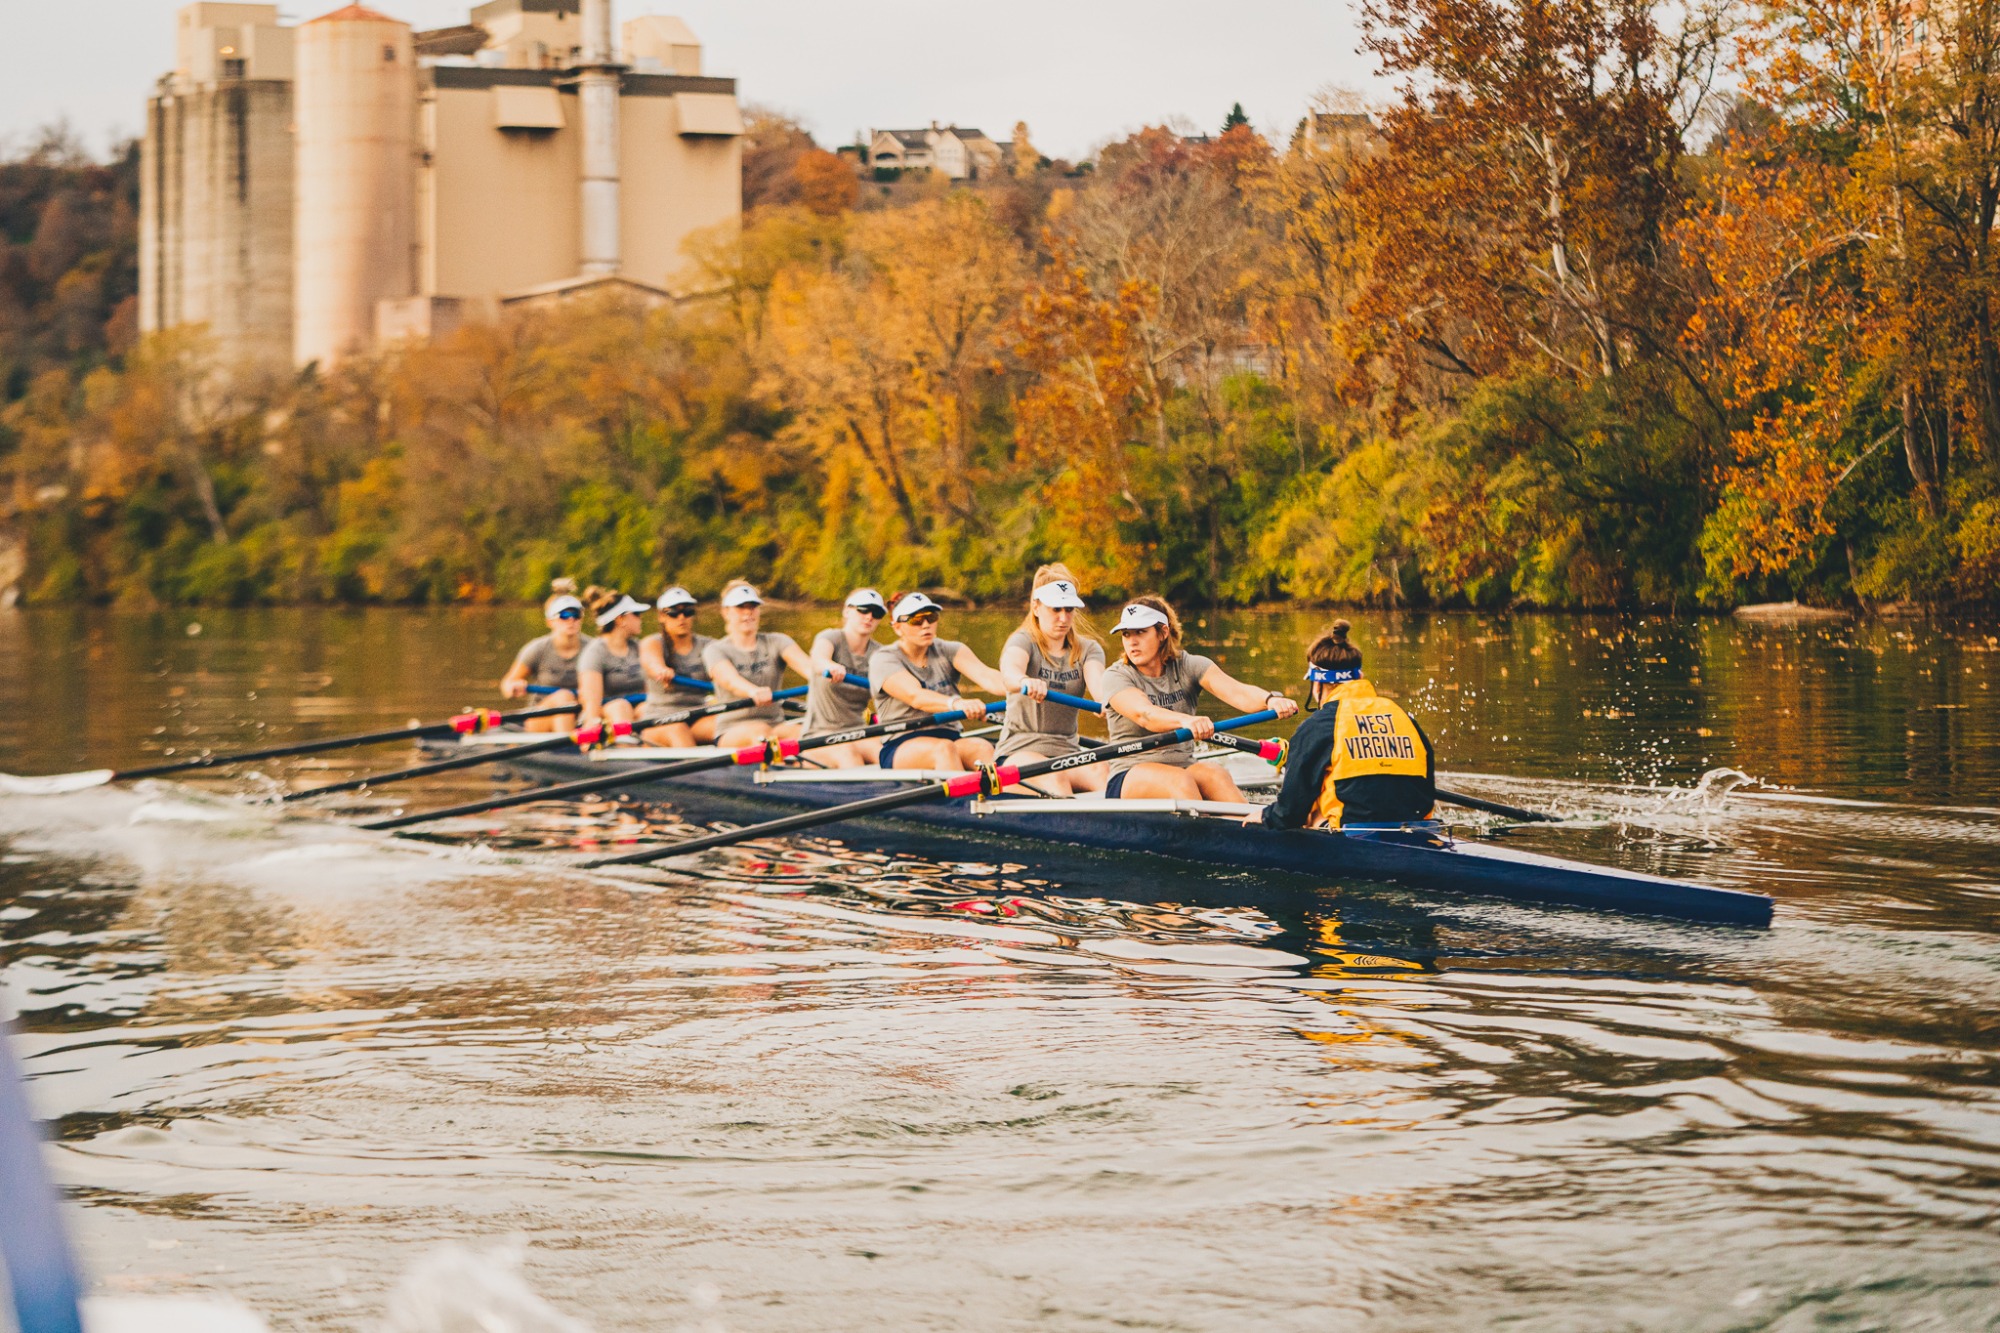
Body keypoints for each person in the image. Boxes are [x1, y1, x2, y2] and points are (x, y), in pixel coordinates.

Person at [1097, 596, 1298, 802]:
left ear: (1163, 633)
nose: (1132, 641)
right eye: (1126, 634)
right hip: (1130, 774)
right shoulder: (1116, 676)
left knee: (1216, 774)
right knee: (1180, 781)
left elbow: (1237, 692)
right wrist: (1186, 721)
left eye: (1140, 632)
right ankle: (1209, 831)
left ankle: (1252, 830)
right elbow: (1145, 715)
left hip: (1184, 766)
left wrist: (1270, 700)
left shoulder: (1188, 665)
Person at [1248, 619, 1436, 829]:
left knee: (1310, 814)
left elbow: (1289, 814)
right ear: (1360, 677)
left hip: (1352, 837)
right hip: (1416, 828)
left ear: (1317, 683)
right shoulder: (1404, 718)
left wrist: (1265, 817)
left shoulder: (1319, 726)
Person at [994, 564, 1110, 795]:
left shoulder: (1089, 649)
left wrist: (1108, 700)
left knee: (1106, 775)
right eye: (1056, 609)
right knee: (1055, 780)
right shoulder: (1022, 641)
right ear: (1036, 608)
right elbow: (1010, 673)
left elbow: (1099, 685)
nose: (1063, 618)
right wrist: (1024, 680)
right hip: (1018, 751)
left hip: (1067, 751)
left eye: (1069, 609)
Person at [868, 592, 1010, 773]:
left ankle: (1003, 799)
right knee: (943, 750)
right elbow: (916, 696)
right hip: (902, 743)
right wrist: (957, 704)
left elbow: (988, 677)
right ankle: (962, 801)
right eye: (916, 620)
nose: (926, 625)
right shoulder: (883, 659)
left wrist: (1023, 686)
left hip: (950, 736)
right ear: (897, 627)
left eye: (931, 617)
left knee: (982, 747)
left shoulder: (949, 649)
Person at [702, 580, 819, 750]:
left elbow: (808, 668)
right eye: (741, 607)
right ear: (726, 612)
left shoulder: (778, 641)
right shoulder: (715, 649)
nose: (748, 612)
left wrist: (825, 675)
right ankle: (786, 769)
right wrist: (752, 691)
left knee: (811, 734)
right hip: (731, 731)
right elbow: (729, 680)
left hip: (775, 725)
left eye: (753, 606)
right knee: (761, 732)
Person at [802, 587, 889, 768]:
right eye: (863, 609)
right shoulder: (830, 637)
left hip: (858, 733)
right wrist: (830, 666)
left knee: (888, 753)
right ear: (847, 611)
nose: (869, 617)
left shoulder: (880, 653)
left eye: (877, 612)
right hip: (819, 735)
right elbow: (818, 659)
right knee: (849, 755)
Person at [499, 578, 587, 733]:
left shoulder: (593, 649)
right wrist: (513, 687)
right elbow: (507, 684)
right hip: (540, 719)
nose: (571, 620)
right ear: (550, 621)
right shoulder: (537, 649)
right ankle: (565, 749)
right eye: (564, 615)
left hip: (582, 717)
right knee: (563, 697)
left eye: (576, 615)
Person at [638, 585, 719, 748]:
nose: (681, 617)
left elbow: (723, 667)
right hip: (659, 720)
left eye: (688, 611)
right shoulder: (653, 642)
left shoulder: (709, 645)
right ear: (661, 616)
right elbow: (651, 661)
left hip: (698, 716)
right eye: (674, 612)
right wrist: (660, 670)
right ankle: (697, 772)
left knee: (729, 724)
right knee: (678, 729)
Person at [575, 586, 649, 738]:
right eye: (636, 614)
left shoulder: (638, 647)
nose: (640, 618)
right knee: (620, 707)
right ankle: (626, 747)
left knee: (648, 708)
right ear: (620, 619)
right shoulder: (594, 653)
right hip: (605, 714)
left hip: (636, 710)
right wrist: (592, 725)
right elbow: (592, 706)